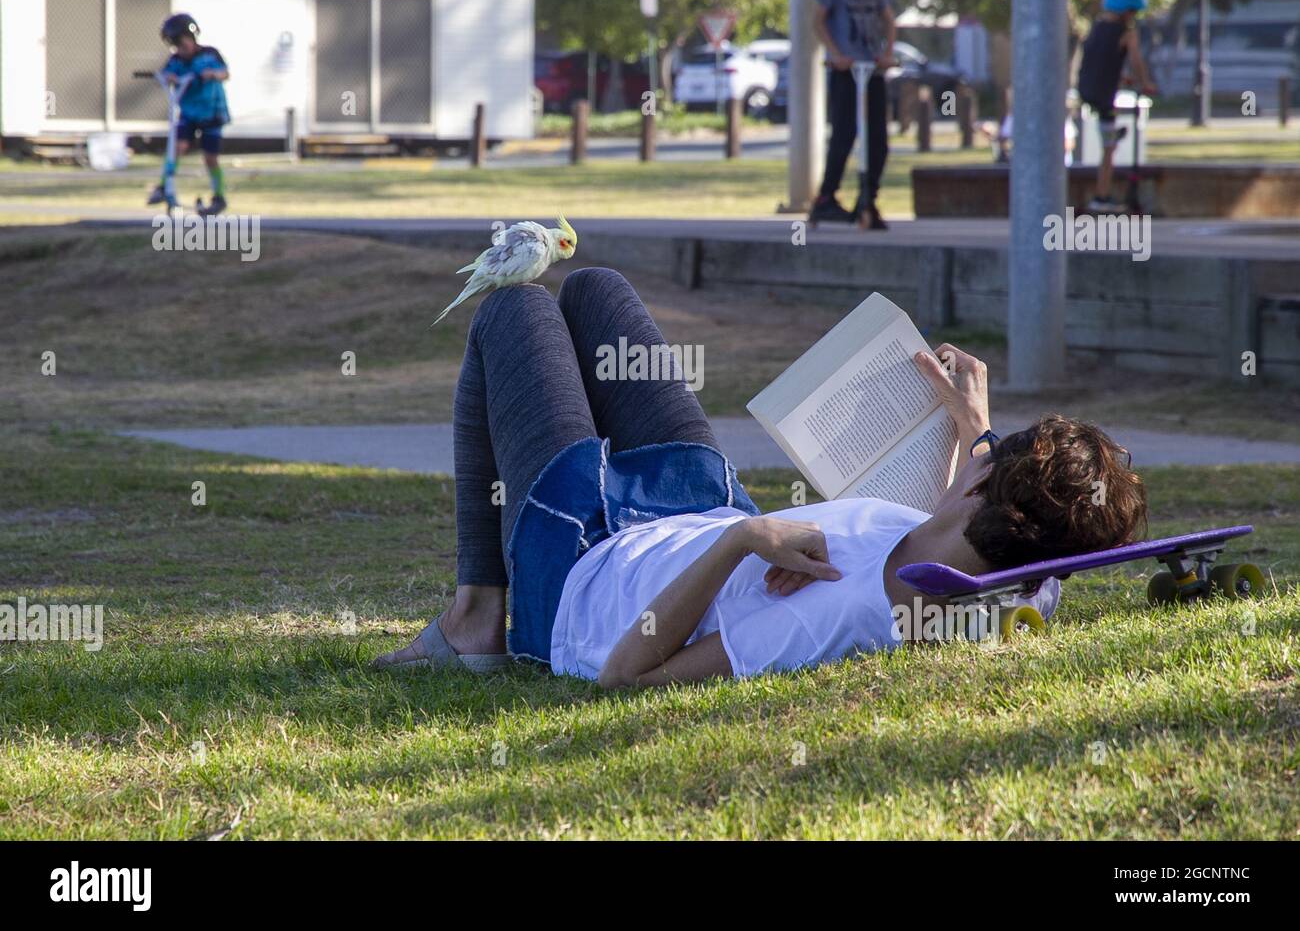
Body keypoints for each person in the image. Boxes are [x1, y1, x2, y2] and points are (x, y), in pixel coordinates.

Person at [372, 268, 1148, 686]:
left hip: (586, 572)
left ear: (979, 494)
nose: (978, 449)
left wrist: (746, 538)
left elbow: (626, 678)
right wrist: (969, 419)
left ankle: (478, 615)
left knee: (514, 309)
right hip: (695, 507)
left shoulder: (830, 619)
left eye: (985, 458)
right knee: (595, 290)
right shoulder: (1011, 573)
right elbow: (1024, 520)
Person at [809, 0, 896, 229]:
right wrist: (836, 54)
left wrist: (886, 53)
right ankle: (825, 199)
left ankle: (868, 199)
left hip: (871, 69)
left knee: (878, 140)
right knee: (844, 135)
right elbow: (817, 20)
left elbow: (888, 20)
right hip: (847, 71)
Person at [1076, 0, 1157, 213]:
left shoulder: (1097, 28)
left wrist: (1122, 78)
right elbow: (1136, 61)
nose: (1133, 17)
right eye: (1133, 12)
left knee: (1109, 141)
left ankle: (1103, 193)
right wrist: (1145, 83)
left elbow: (1100, 61)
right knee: (1109, 148)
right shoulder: (1126, 32)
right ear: (1126, 11)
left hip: (1088, 91)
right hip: (1104, 97)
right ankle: (1101, 196)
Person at [146, 13, 231, 216]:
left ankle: (218, 196)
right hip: (189, 113)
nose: (180, 48)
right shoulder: (175, 60)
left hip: (212, 112)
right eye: (176, 44)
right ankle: (164, 187)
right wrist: (168, 78)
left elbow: (225, 73)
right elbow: (166, 74)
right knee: (177, 146)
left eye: (182, 42)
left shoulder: (209, 55)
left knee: (210, 157)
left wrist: (211, 74)